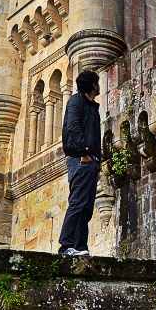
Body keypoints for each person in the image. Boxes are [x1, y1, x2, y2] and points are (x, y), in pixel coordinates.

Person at [58, 69, 102, 256]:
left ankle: (80, 246)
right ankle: (66, 245)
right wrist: (84, 153)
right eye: (97, 83)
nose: (99, 86)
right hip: (80, 158)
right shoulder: (76, 101)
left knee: (86, 206)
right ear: (93, 85)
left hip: (91, 160)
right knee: (77, 202)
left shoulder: (93, 107)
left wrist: (97, 160)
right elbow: (73, 127)